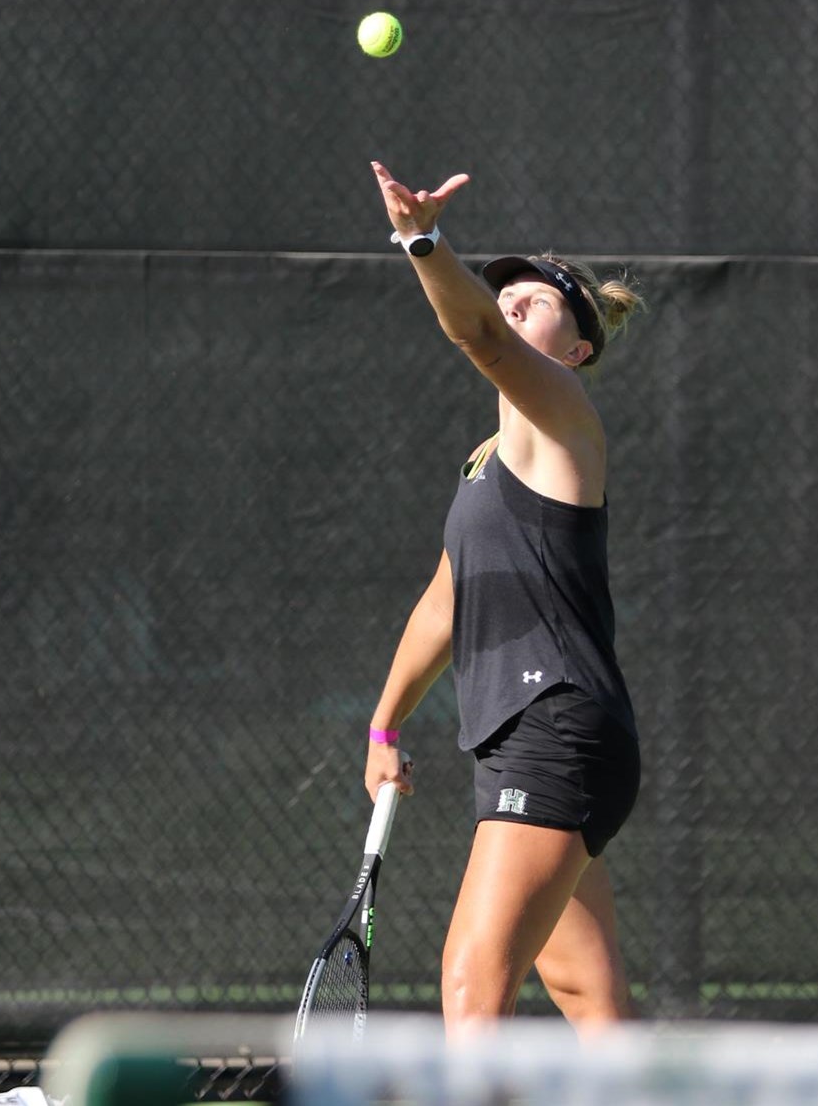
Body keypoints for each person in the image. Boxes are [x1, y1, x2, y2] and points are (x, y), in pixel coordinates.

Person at [360, 161, 647, 1036]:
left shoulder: (566, 421)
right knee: (591, 1006)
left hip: (552, 723)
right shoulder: (487, 463)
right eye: (507, 292)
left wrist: (424, 241)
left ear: (577, 349)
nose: (516, 299)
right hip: (527, 736)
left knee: (470, 987)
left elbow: (481, 335)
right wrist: (383, 725)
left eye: (538, 298)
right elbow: (444, 605)